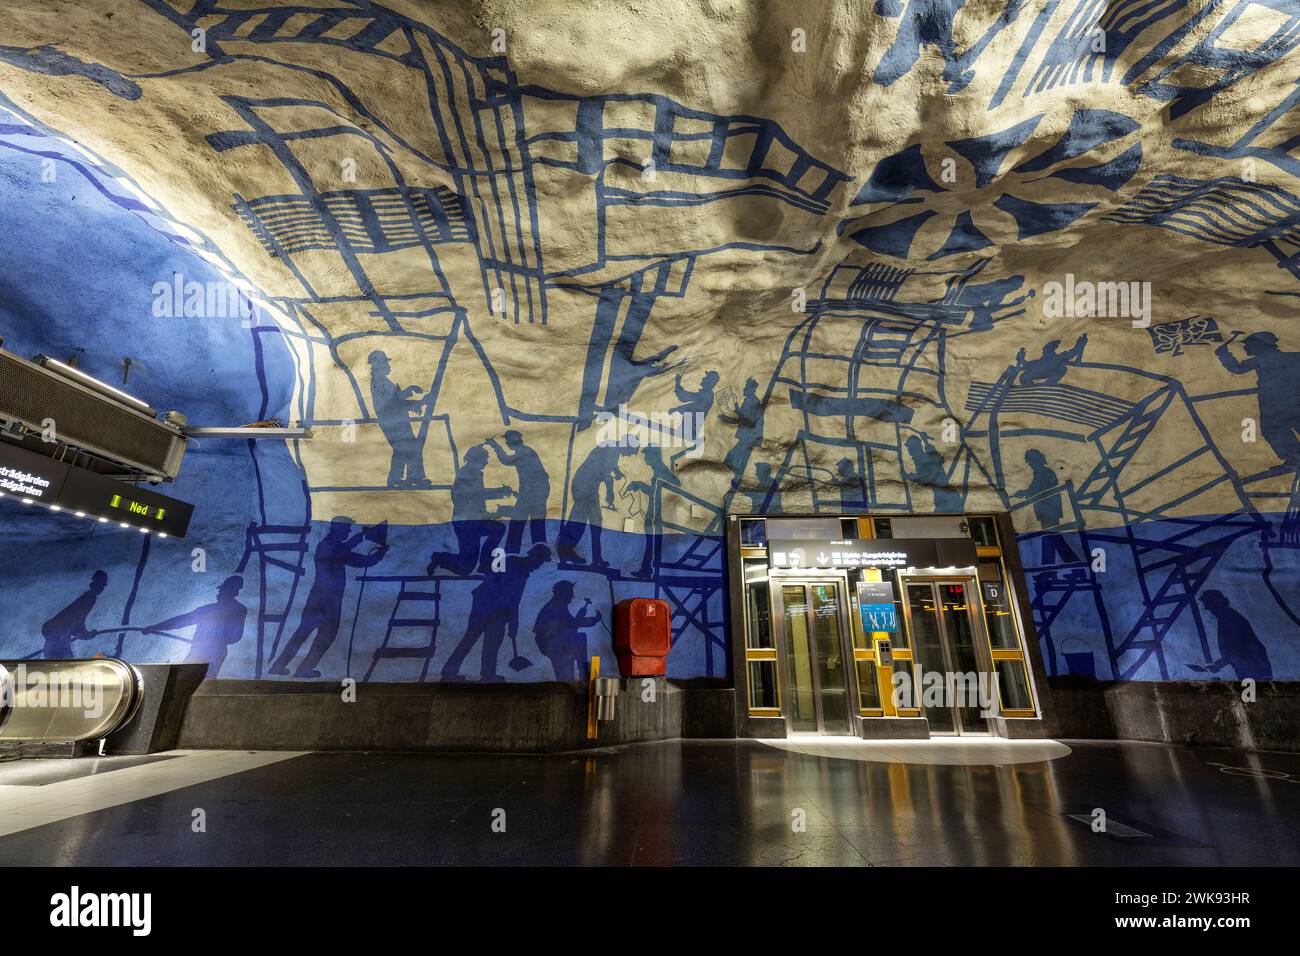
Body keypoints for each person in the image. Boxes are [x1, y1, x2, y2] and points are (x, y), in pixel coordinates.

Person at [269, 517, 388, 678]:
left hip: (329, 603)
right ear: (338, 528)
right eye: (347, 528)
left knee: (322, 638)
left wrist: (379, 554)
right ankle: (283, 667)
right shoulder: (327, 546)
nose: (349, 530)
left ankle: (299, 669)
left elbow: (361, 561)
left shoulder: (338, 549)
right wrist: (361, 537)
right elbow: (341, 551)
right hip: (322, 601)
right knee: (304, 635)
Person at [441, 544, 551, 682]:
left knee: (491, 643)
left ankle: (487, 675)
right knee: (471, 639)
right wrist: (510, 619)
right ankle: (449, 673)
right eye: (540, 561)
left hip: (497, 610)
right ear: (535, 556)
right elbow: (503, 591)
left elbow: (514, 599)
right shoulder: (511, 563)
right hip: (485, 607)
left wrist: (513, 622)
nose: (539, 565)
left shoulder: (523, 570)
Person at [1215, 331, 1300, 469]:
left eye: (1249, 345)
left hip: (1274, 404)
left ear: (1261, 346)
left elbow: (1237, 368)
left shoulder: (1261, 359)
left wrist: (1223, 354)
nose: (1245, 348)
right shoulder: (1295, 356)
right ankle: (1296, 459)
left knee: (1273, 430)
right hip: (1293, 401)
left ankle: (1295, 459)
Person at [427, 446, 514, 575]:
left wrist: (500, 494)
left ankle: (485, 563)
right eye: (484, 459)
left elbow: (477, 496)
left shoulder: (473, 473)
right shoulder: (467, 474)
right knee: (466, 568)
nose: (486, 462)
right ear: (475, 459)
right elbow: (474, 496)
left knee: (466, 567)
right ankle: (440, 557)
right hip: (466, 524)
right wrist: (498, 500)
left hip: (472, 522)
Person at [555, 437, 639, 567]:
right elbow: (606, 476)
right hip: (584, 487)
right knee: (581, 521)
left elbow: (606, 465)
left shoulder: (612, 448)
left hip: (588, 487)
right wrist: (610, 495)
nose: (630, 454)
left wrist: (616, 471)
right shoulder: (612, 449)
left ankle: (595, 558)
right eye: (632, 450)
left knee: (595, 523)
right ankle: (566, 552)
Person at [144, 575, 248, 678]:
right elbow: (181, 621)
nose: (219, 593)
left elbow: (236, 636)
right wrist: (155, 627)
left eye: (222, 590)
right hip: (200, 652)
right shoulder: (209, 609)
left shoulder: (237, 610)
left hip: (211, 655)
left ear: (232, 590)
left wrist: (211, 640)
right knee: (185, 681)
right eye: (220, 590)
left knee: (198, 682)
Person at [368, 349, 432, 488]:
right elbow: (391, 402)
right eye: (385, 362)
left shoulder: (383, 380)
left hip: (397, 419)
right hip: (392, 421)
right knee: (405, 448)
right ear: (378, 364)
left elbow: (396, 400)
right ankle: (409, 478)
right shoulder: (379, 381)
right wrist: (414, 399)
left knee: (404, 449)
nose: (388, 365)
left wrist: (414, 400)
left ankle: (404, 478)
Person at [485, 430, 549, 552]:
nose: (507, 444)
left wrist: (495, 445)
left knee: (518, 522)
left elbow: (506, 460)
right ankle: (539, 551)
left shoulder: (524, 452)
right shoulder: (525, 451)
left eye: (507, 441)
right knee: (537, 523)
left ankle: (511, 551)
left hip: (533, 492)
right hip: (535, 491)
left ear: (513, 441)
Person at [1012, 449, 1077, 563]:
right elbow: (1034, 489)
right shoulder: (1041, 472)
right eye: (1029, 462)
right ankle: (1054, 560)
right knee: (1051, 534)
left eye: (1031, 462)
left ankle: (1063, 559)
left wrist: (1023, 493)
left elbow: (1036, 490)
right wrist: (1024, 493)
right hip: (1046, 510)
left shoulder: (1044, 473)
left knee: (1051, 534)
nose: (1031, 465)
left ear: (1037, 460)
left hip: (1048, 510)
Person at [626, 444, 681, 579]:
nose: (644, 458)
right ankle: (646, 569)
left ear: (654, 456)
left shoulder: (661, 470)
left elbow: (676, 485)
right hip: (653, 515)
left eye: (646, 455)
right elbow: (654, 492)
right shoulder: (658, 470)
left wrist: (640, 485)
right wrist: (640, 485)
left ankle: (647, 570)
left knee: (652, 544)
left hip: (657, 516)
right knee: (650, 544)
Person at [1196, 589, 1273, 680]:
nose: (1207, 608)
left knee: (1254, 692)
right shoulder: (1226, 616)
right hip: (1250, 664)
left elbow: (1236, 647)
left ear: (1214, 603)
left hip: (1252, 665)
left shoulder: (1228, 617)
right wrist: (1218, 665)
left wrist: (1218, 665)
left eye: (1208, 604)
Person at [533, 581, 601, 681]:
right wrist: (592, 620)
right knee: (565, 677)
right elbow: (570, 625)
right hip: (556, 646)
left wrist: (580, 617)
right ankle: (583, 672)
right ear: (563, 593)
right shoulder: (555, 606)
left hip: (558, 645)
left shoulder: (557, 606)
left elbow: (569, 625)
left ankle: (583, 672)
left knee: (566, 677)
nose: (572, 597)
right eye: (570, 593)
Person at [40, 570, 107, 658]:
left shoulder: (88, 598)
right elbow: (76, 620)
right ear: (93, 584)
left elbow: (76, 622)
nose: (101, 588)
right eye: (100, 585)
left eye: (102, 586)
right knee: (64, 658)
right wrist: (89, 635)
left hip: (57, 635)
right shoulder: (88, 599)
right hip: (58, 637)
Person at [720, 378, 766, 487]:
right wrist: (736, 406)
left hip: (749, 435)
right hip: (752, 435)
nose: (744, 389)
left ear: (751, 389)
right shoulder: (751, 400)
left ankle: (737, 477)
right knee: (742, 458)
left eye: (746, 387)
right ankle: (737, 479)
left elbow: (745, 418)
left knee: (731, 458)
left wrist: (727, 418)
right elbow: (745, 415)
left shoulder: (751, 400)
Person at [669, 369, 718, 466]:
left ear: (710, 382)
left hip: (691, 426)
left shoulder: (707, 394)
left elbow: (686, 400)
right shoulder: (706, 393)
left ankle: (685, 435)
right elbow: (688, 401)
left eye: (706, 378)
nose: (703, 378)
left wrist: (677, 383)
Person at [903, 435, 964, 512]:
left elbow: (927, 477)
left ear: (916, 447)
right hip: (944, 496)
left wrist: (909, 476)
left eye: (910, 448)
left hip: (947, 498)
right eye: (908, 448)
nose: (909, 450)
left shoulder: (923, 460)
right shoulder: (924, 458)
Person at [1015, 335, 1088, 386]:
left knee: (1063, 368)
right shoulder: (1038, 362)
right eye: (1045, 349)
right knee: (1024, 377)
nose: (1044, 350)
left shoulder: (1057, 358)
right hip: (1034, 377)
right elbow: (1026, 365)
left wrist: (1080, 345)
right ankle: (1035, 387)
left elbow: (1072, 353)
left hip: (1046, 376)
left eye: (1047, 348)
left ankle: (1048, 383)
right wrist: (1021, 358)